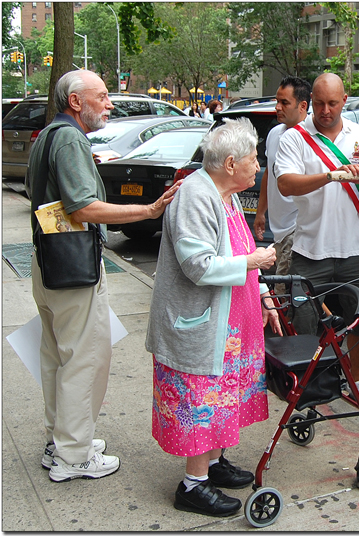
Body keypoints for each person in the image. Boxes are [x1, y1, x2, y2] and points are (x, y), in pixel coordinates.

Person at [27, 70, 181, 482]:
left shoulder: (47, 136)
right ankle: (74, 455)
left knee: (58, 357)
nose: (110, 104)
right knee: (85, 358)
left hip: (49, 264)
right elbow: (83, 208)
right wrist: (148, 211)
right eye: (102, 96)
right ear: (75, 102)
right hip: (73, 267)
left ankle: (63, 441)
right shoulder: (70, 139)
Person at [146, 118, 282, 517]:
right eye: (253, 159)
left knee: (223, 398)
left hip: (232, 323)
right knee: (202, 400)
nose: (258, 166)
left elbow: (240, 246)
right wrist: (254, 261)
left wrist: (264, 295)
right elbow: (198, 265)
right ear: (229, 163)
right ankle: (193, 485)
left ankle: (214, 462)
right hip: (200, 324)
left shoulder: (227, 195)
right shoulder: (195, 196)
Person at [275, 73, 359, 416]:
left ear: (345, 100)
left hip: (357, 248)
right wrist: (332, 174)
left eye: (332, 103)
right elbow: (286, 185)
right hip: (311, 249)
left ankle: (357, 383)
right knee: (304, 322)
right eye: (319, 103)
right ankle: (307, 388)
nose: (325, 110)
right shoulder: (295, 138)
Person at [254, 76, 311, 282]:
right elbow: (270, 172)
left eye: (284, 102)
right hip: (278, 229)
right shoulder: (274, 133)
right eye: (277, 101)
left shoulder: (312, 138)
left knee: (284, 290)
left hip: (299, 228)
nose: (277, 107)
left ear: (302, 106)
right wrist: (261, 212)